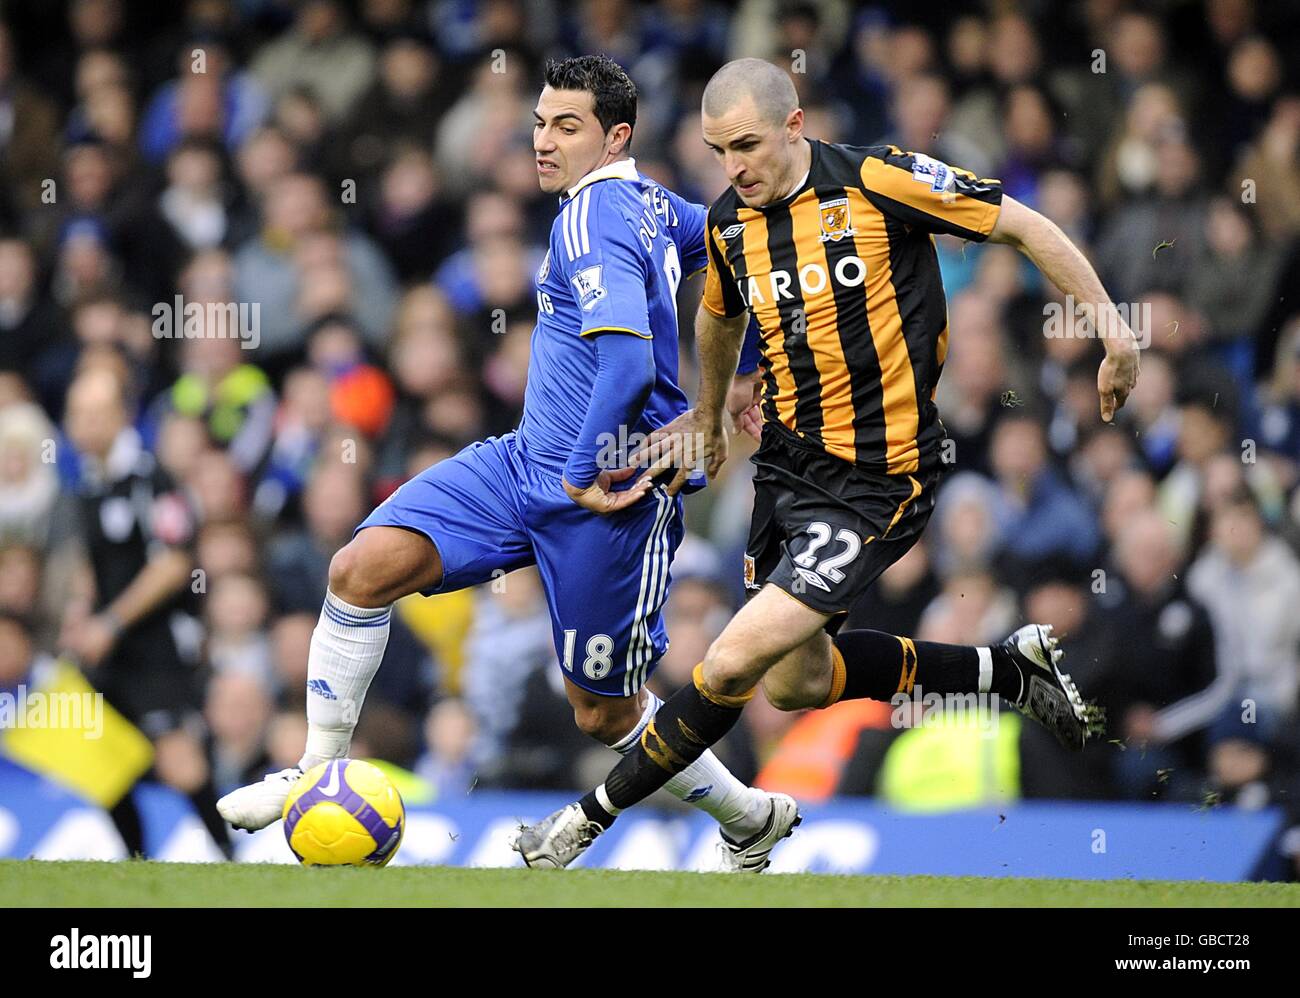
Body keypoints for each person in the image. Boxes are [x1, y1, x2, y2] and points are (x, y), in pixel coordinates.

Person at [515, 57, 1140, 870]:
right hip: (786, 475)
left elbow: (1025, 225)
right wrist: (708, 415)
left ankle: (584, 825)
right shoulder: (730, 224)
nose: (735, 167)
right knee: (796, 685)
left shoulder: (879, 180)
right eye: (717, 151)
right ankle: (1011, 672)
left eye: (747, 145)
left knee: (732, 661)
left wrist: (1115, 334)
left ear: (795, 125)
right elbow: (716, 318)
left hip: (882, 479)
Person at [218, 55, 790, 872]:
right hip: (524, 464)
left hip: (609, 494)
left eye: (567, 126)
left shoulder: (594, 217)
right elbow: (741, 253)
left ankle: (746, 816)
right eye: (539, 121)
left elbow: (627, 367)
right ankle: (315, 770)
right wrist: (740, 384)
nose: (543, 140)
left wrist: (601, 462)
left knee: (602, 714)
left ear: (614, 136)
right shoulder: (657, 204)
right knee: (359, 569)